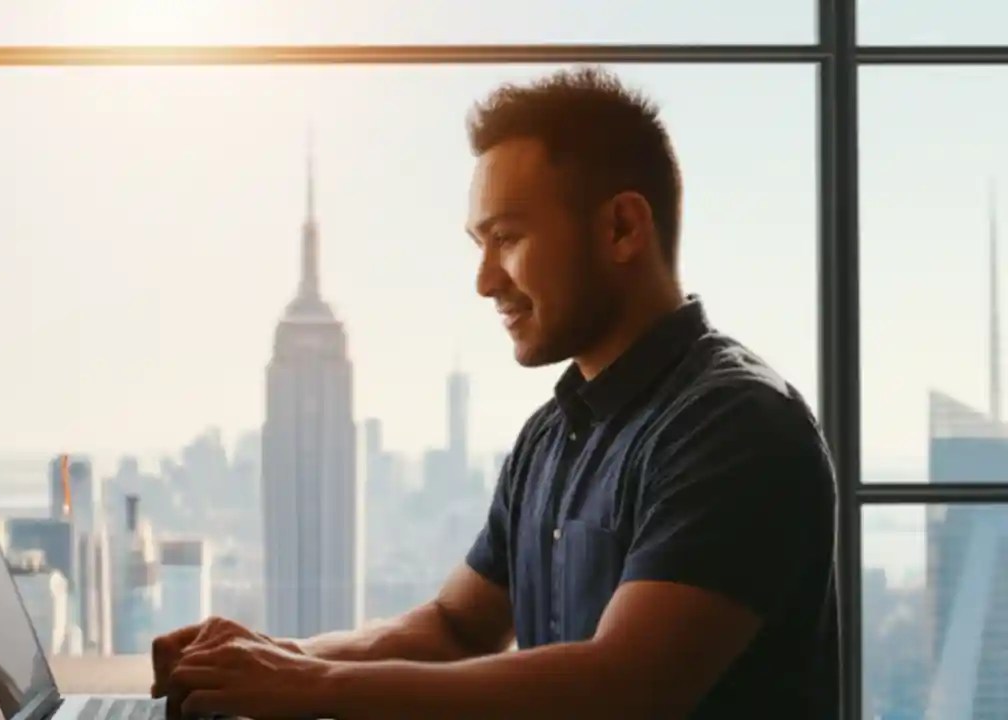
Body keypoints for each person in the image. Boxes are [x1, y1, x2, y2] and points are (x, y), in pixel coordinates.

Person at [151, 66, 839, 720]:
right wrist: (272, 658)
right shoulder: (552, 434)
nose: (484, 281)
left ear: (622, 228)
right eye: (479, 245)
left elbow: (623, 691)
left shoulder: (735, 427)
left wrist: (313, 683)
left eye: (506, 238)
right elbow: (454, 626)